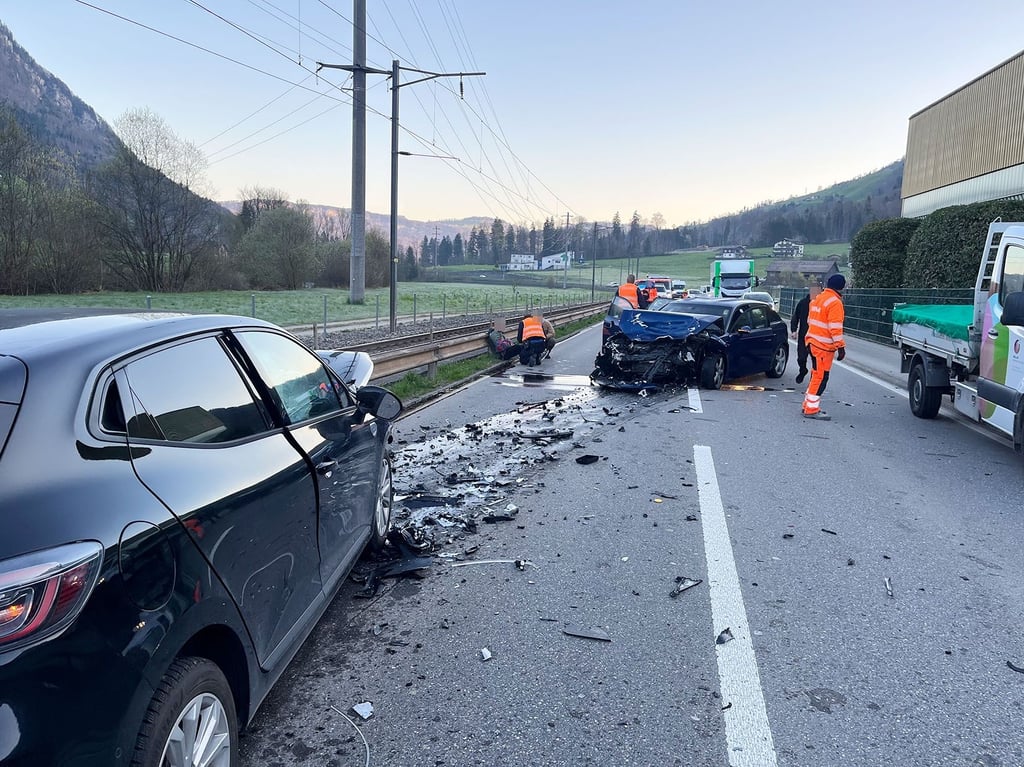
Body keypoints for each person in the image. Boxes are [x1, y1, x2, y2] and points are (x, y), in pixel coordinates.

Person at [802, 274, 847, 420]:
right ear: (842, 287)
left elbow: (810, 320)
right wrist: (840, 347)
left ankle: (807, 405)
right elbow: (835, 327)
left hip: (812, 342)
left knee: (816, 375)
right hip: (823, 347)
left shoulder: (818, 299)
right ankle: (811, 410)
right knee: (821, 377)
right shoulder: (835, 302)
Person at [789, 280, 822, 384]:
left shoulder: (823, 305)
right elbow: (795, 317)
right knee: (801, 358)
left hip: (818, 338)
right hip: (804, 336)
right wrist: (794, 330)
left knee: (816, 362)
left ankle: (813, 382)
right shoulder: (803, 303)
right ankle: (803, 370)